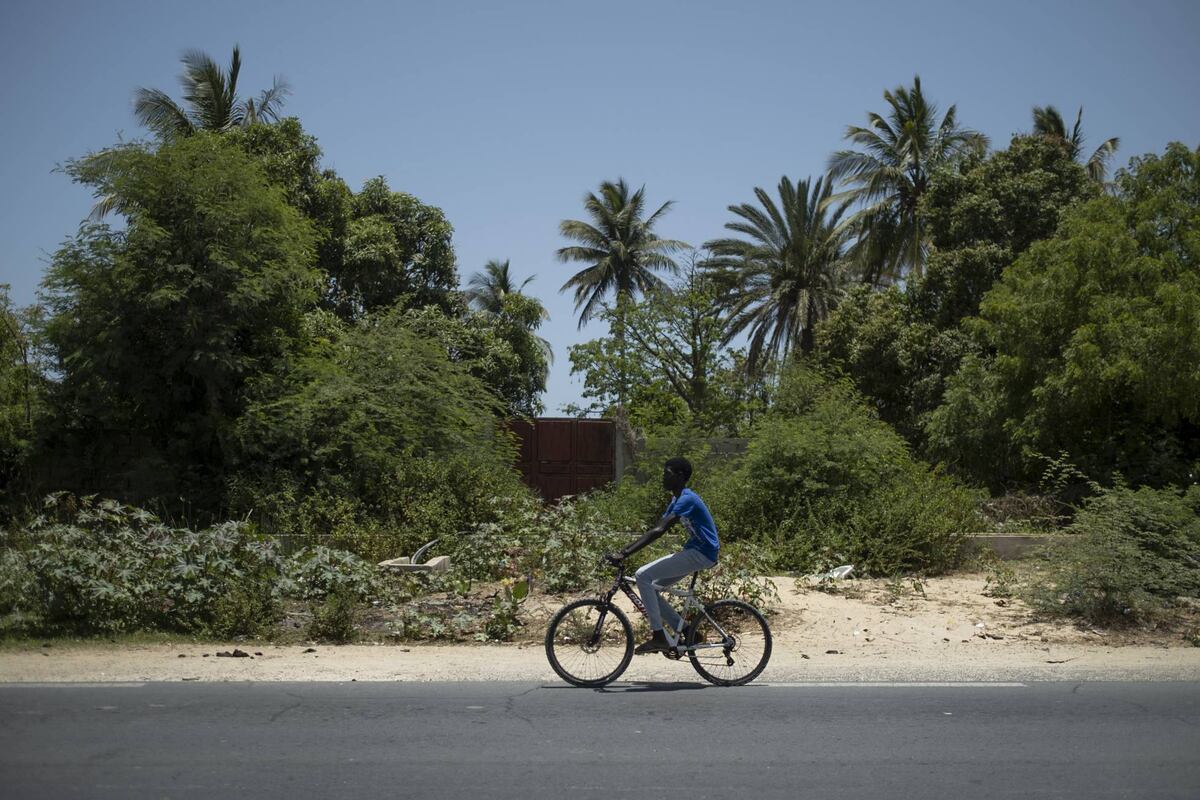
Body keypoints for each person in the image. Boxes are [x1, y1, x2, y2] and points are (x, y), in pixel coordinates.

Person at [606, 456, 719, 654]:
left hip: (702, 553)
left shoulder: (687, 498)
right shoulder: (676, 499)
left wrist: (624, 553)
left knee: (642, 575)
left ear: (680, 476)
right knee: (652, 586)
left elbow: (660, 530)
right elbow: (655, 528)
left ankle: (659, 636)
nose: (662, 478)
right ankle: (687, 629)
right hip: (695, 552)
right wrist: (624, 551)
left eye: (667, 474)